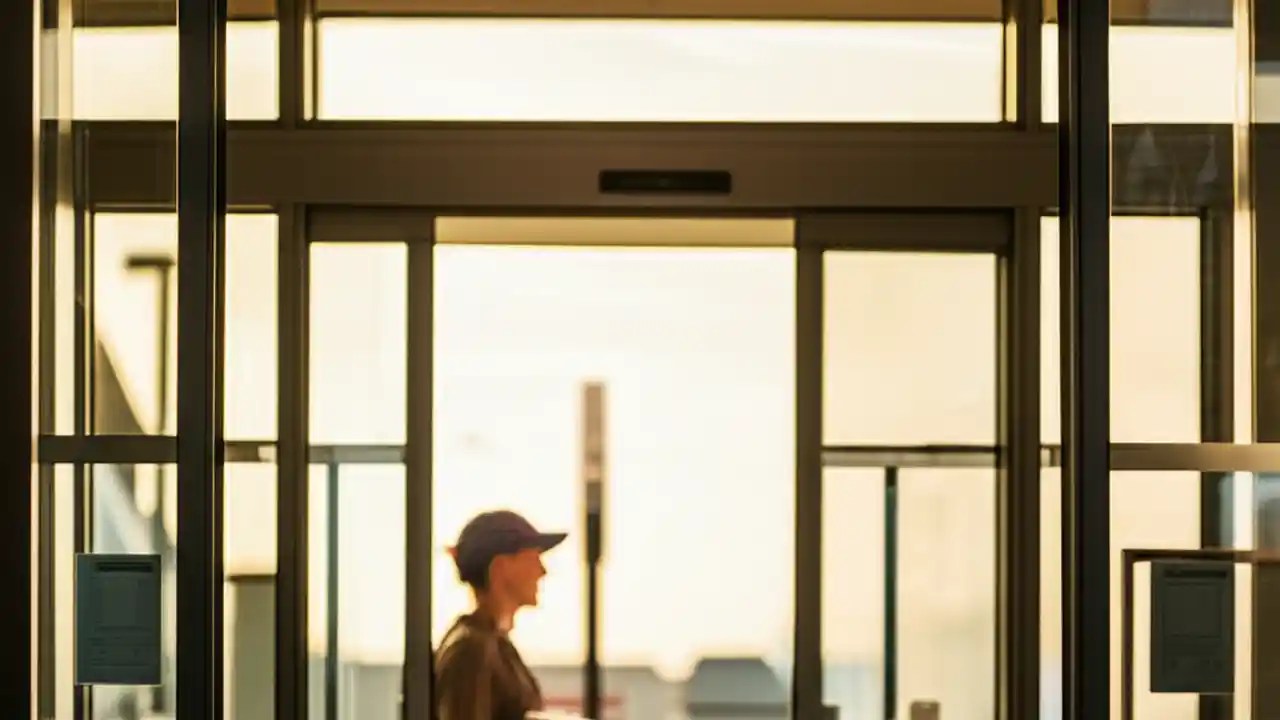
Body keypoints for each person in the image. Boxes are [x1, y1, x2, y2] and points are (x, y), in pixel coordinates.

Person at [435, 510, 567, 720]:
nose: (542, 571)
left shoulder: (490, 644)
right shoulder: (471, 651)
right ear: (501, 567)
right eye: (533, 558)